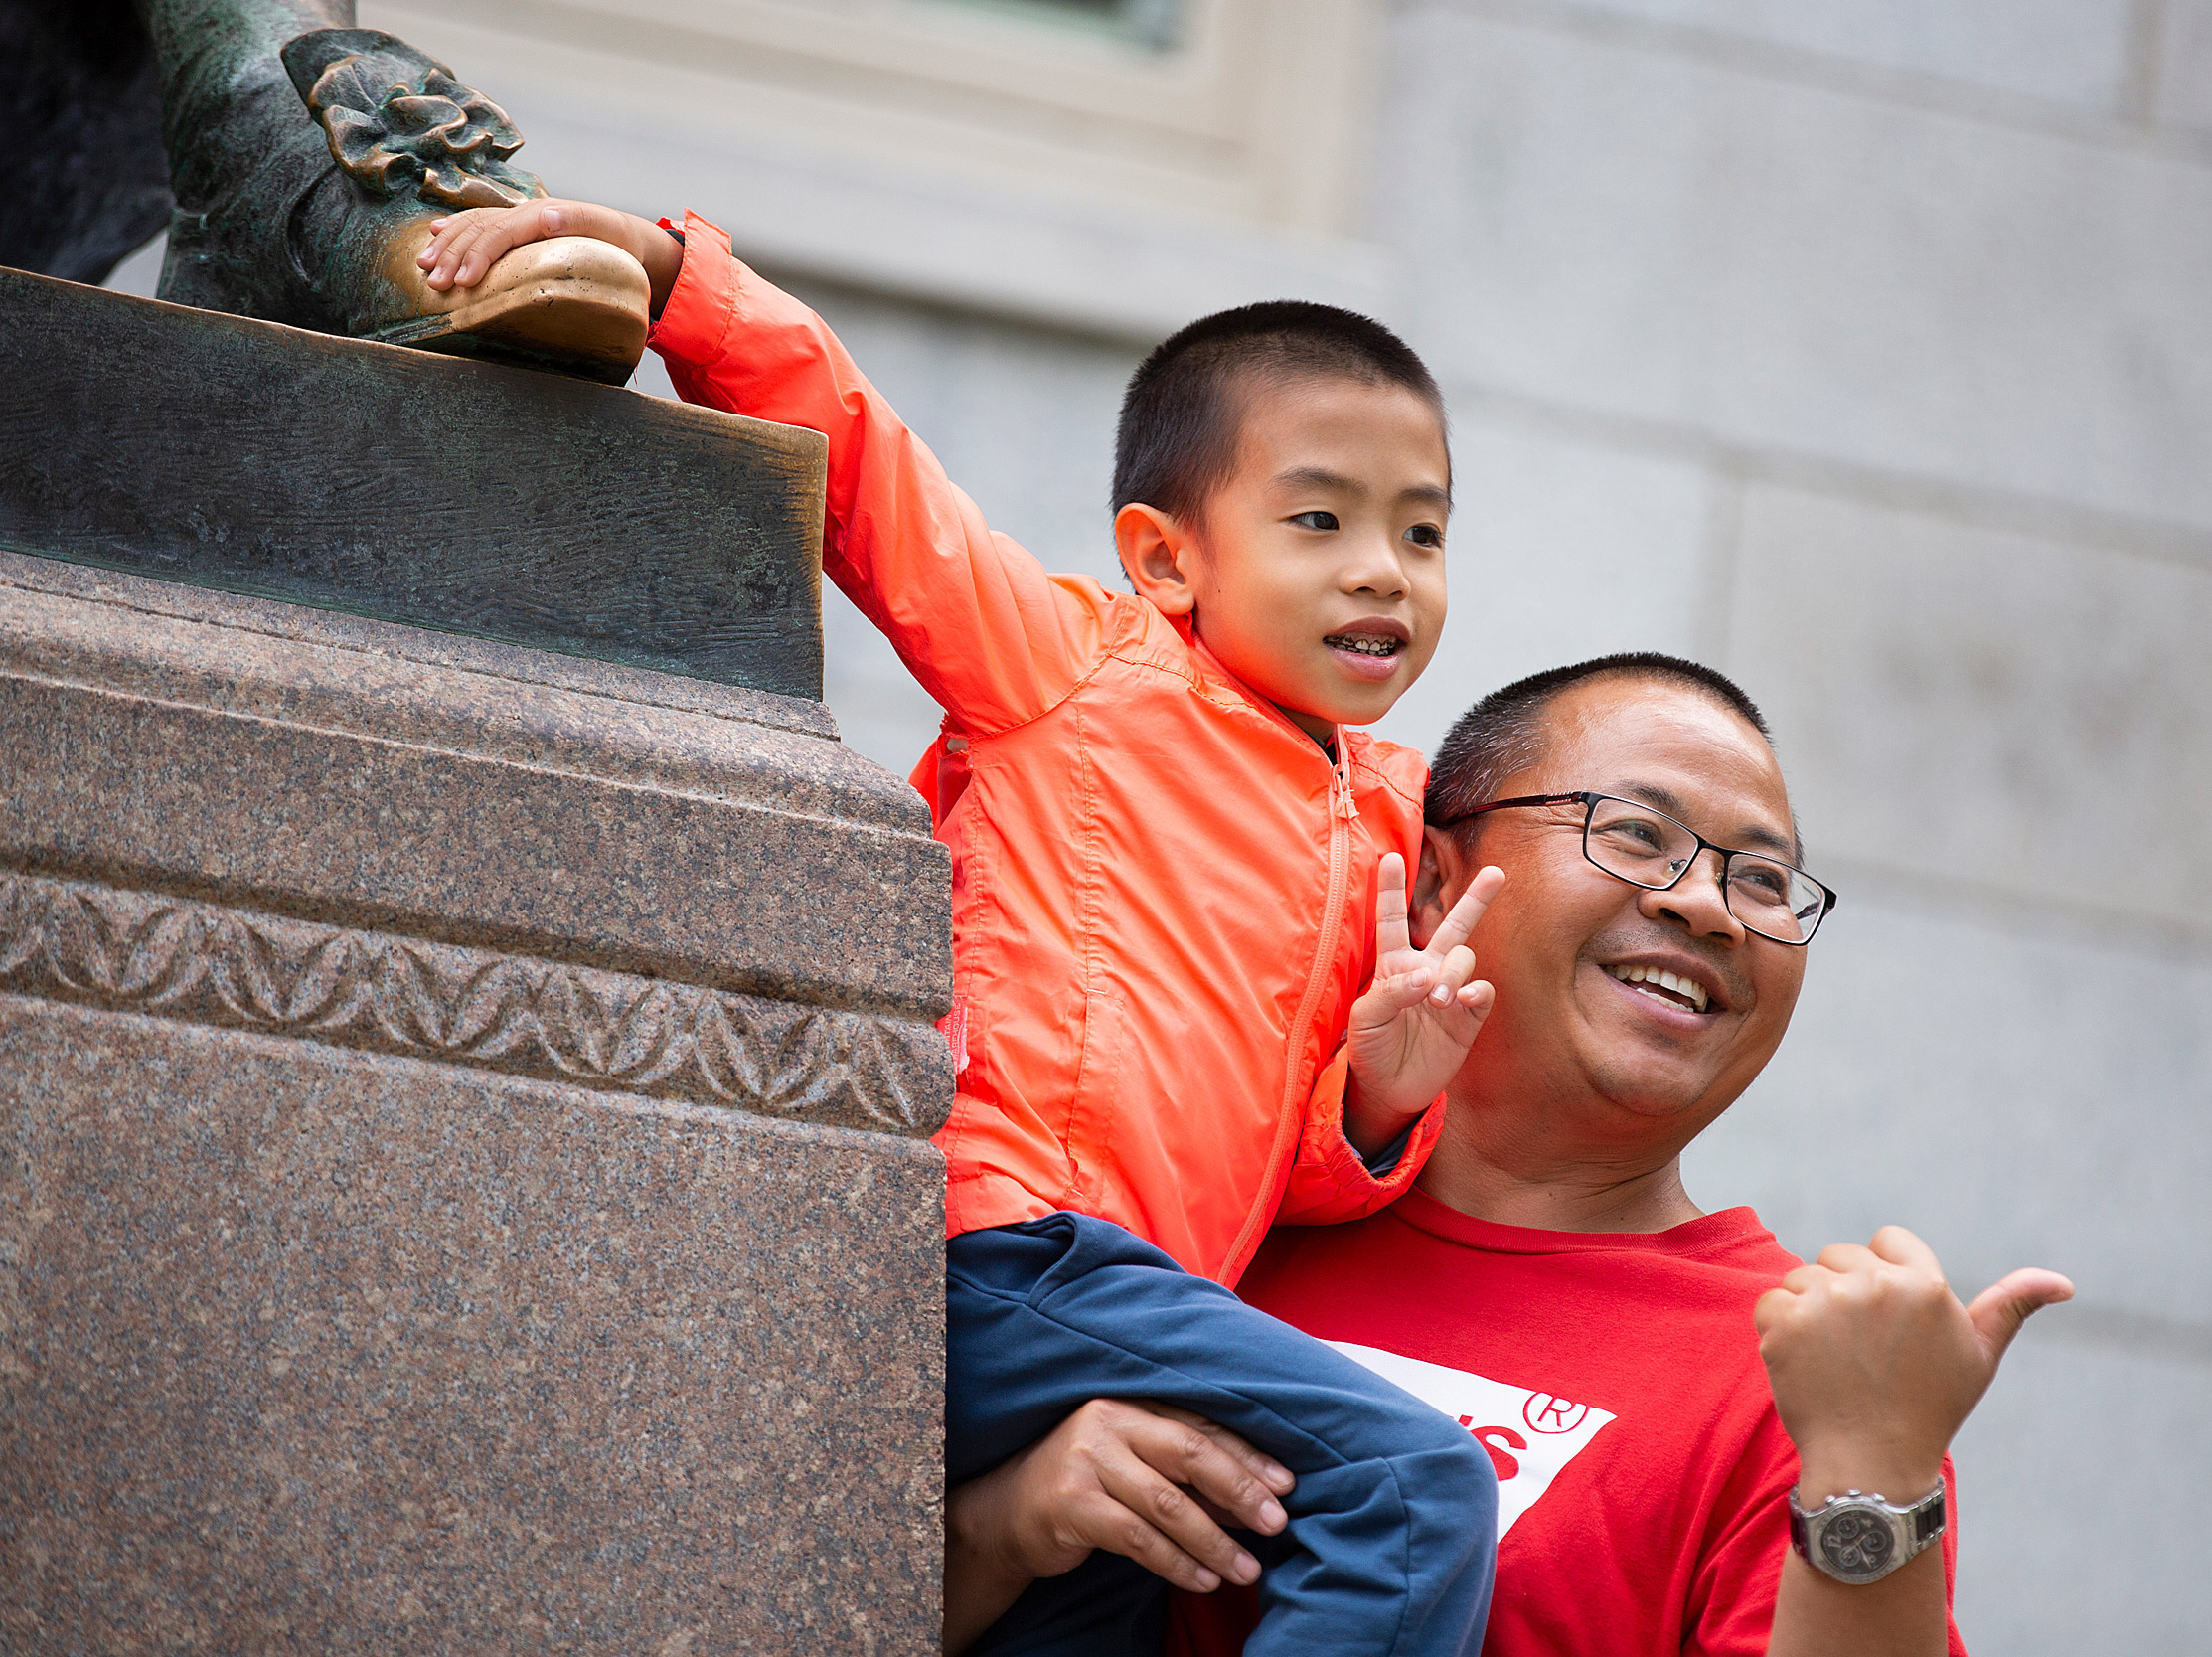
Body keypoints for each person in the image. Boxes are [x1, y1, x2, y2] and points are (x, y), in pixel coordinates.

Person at [411, 200, 1506, 1656]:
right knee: (1411, 1480)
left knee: (1100, 1599)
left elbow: (1269, 1154)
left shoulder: (1388, 810)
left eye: (1421, 531)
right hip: (1003, 1257)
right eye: (1320, 519)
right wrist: (680, 277)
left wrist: (1379, 1091)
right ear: (1166, 560)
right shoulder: (1070, 670)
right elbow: (869, 478)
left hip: (1134, 1319)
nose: (1382, 569)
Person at [948, 654, 2073, 1657]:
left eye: (1764, 881)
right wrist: (1010, 1526)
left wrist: (1873, 1472)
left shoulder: (1800, 1383)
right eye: (1637, 832)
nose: (1709, 907)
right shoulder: (1215, 1219)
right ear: (1438, 879)